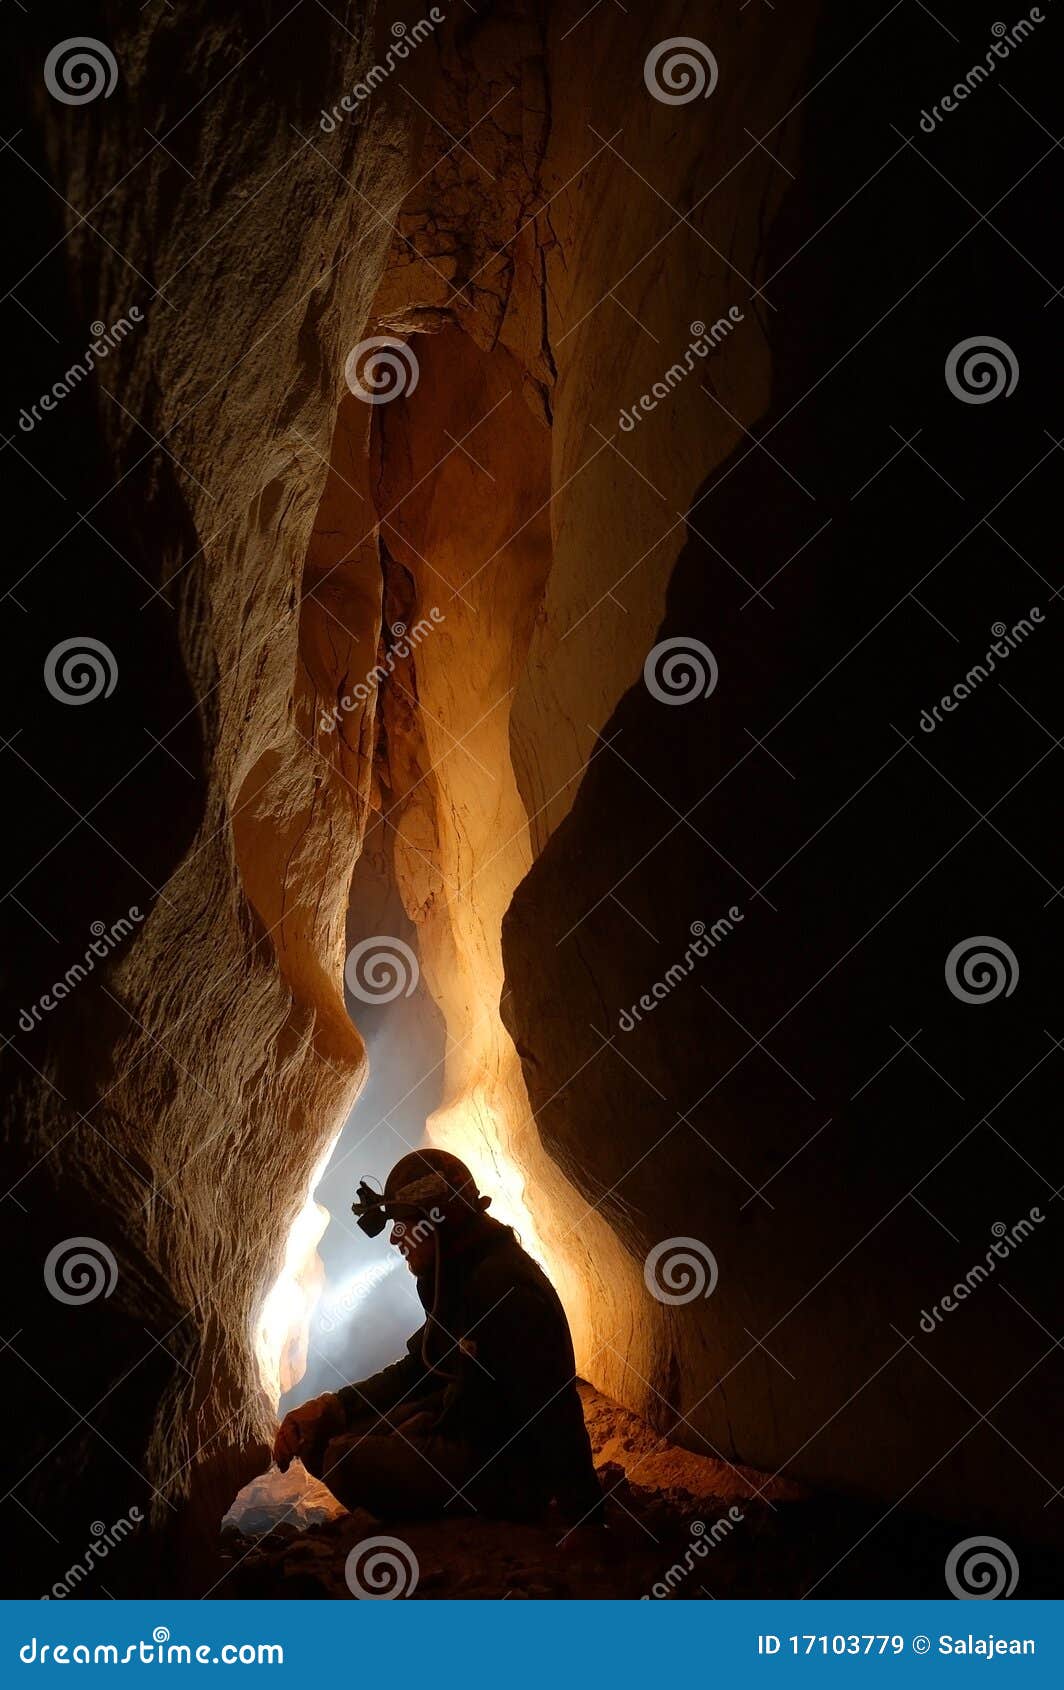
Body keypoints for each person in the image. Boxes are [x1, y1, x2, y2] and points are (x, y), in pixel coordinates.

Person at [273, 1149, 603, 1526]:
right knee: (327, 1434)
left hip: (507, 1469)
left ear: (439, 1221)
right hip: (471, 1427)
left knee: (341, 1458)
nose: (397, 1240)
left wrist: (585, 1513)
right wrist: (332, 1408)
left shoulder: (502, 1289)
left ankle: (476, 1518)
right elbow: (419, 1369)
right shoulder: (461, 1275)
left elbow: (552, 1406)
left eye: (404, 1224)